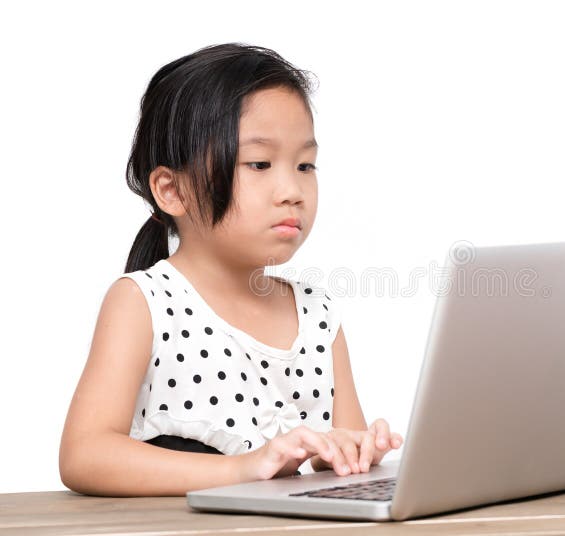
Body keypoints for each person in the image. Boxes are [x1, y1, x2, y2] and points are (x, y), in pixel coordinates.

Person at [59, 43, 403, 497]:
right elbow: (85, 456)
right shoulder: (145, 302)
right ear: (171, 190)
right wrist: (249, 467)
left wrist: (346, 453)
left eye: (305, 165)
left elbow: (341, 466)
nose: (292, 190)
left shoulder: (318, 316)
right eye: (259, 164)